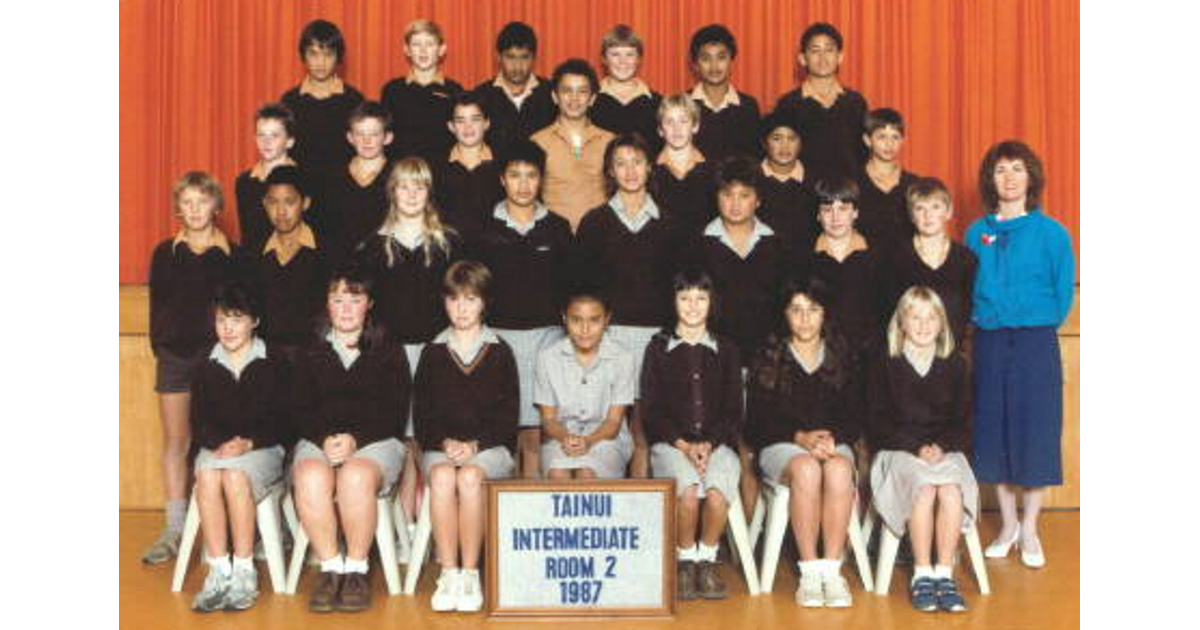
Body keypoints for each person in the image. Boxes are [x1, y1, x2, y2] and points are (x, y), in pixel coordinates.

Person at [966, 141, 1074, 569]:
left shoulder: (1052, 233)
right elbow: (968, 285)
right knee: (996, 429)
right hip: (991, 341)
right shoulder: (977, 232)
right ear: (990, 180)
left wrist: (1031, 318)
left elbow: (1062, 291)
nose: (1008, 177)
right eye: (999, 170)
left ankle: (1030, 528)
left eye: (1016, 169)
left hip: (1034, 341)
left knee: (1034, 430)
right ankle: (1007, 525)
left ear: (1031, 177)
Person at [290, 266, 411, 613]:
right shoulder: (309, 348)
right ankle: (330, 568)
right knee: (311, 475)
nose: (345, 308)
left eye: (354, 300)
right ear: (327, 304)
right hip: (320, 438)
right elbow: (298, 408)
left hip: (376, 440)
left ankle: (357, 568)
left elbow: (394, 412)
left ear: (368, 304)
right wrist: (322, 439)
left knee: (355, 476)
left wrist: (355, 440)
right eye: (337, 299)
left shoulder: (388, 348)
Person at [746, 278, 860, 608]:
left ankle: (832, 570)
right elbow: (756, 422)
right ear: (784, 315)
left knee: (839, 470)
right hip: (782, 445)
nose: (805, 319)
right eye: (796, 311)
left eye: (813, 310)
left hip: (832, 441)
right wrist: (801, 438)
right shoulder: (769, 354)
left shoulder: (842, 353)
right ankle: (809, 571)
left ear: (825, 315)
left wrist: (830, 438)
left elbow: (855, 415)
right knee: (807, 469)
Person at [144, 172, 239, 565]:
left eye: (203, 201)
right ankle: (175, 529)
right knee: (177, 444)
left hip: (218, 359)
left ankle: (223, 531)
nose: (196, 210)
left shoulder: (233, 255)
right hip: (176, 360)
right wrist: (164, 346)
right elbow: (158, 307)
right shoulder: (164, 253)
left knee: (217, 442)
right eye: (188, 202)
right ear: (178, 208)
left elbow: (239, 310)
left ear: (217, 207)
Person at [573, 132, 681, 478]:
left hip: (658, 338)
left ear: (650, 167)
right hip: (611, 338)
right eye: (620, 163)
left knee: (646, 429)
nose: (630, 170)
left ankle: (644, 511)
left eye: (637, 161)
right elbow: (583, 288)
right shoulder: (594, 223)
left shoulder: (671, 224)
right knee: (612, 428)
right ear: (610, 171)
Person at [414, 261, 519, 613]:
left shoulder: (501, 352)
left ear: (484, 303)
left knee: (471, 477)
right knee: (443, 476)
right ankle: (449, 573)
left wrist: (475, 446)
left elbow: (508, 418)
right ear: (444, 302)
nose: (461, 308)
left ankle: (471, 573)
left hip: (490, 448)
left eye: (471, 299)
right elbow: (423, 416)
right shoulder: (431, 353)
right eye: (454, 299)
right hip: (441, 447)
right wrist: (445, 444)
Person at [867, 286, 978, 613]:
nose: (923, 324)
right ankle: (922, 573)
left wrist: (941, 446)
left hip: (945, 449)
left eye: (931, 318)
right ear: (901, 323)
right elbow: (876, 420)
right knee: (926, 488)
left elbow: (965, 420)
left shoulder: (955, 365)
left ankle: (944, 573)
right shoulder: (886, 363)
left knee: (950, 490)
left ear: (942, 324)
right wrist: (915, 447)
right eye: (915, 317)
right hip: (899, 450)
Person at [469, 139, 572, 477]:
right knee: (499, 433)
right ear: (502, 179)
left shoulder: (558, 228)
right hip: (498, 338)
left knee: (536, 434)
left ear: (541, 180)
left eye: (531, 175)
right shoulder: (482, 228)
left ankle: (533, 511)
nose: (524, 184)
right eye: (515, 175)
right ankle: (500, 518)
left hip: (546, 338)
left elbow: (569, 289)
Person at [641, 270, 743, 601]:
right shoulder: (657, 347)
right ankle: (685, 560)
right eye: (684, 298)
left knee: (715, 494)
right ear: (673, 302)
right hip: (672, 444)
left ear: (712, 303)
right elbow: (652, 410)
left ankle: (707, 560)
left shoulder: (727, 349)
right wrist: (684, 445)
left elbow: (733, 410)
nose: (692, 306)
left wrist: (709, 444)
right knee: (686, 493)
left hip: (718, 445)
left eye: (701, 298)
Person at [187, 283, 288, 612]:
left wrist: (249, 442)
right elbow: (198, 420)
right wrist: (218, 443)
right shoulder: (205, 362)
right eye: (220, 320)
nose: (227, 328)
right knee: (207, 475)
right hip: (217, 447)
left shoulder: (274, 359)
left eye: (236, 319)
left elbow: (285, 420)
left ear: (254, 320)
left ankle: (244, 570)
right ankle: (219, 570)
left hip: (262, 447)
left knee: (233, 477)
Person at [535, 292, 636, 479]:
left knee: (586, 473)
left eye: (594, 320)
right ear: (564, 319)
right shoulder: (547, 357)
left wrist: (589, 441)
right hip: (560, 436)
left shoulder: (623, 357)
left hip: (606, 438)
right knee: (558, 474)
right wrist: (566, 437)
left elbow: (613, 422)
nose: (585, 329)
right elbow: (549, 420)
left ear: (607, 320)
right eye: (576, 320)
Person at [243, 165, 329, 364]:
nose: (281, 211)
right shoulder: (252, 252)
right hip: (265, 357)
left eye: (289, 202)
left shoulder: (327, 250)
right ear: (264, 203)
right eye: (273, 202)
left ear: (305, 203)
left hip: (314, 357)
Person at [883, 177, 976, 346]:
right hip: (906, 352)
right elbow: (889, 313)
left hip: (952, 352)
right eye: (920, 208)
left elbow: (969, 313)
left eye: (935, 207)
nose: (928, 215)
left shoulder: (966, 258)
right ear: (911, 216)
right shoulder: (895, 257)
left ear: (948, 211)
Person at [774, 22, 869, 183]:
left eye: (829, 50)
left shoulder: (856, 102)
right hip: (801, 194)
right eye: (815, 51)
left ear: (840, 57)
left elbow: (865, 155)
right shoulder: (788, 104)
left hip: (846, 197)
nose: (823, 58)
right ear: (802, 58)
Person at [280, 20, 365, 199]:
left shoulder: (354, 100)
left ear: (338, 57)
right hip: (300, 196)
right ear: (303, 56)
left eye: (328, 54)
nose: (321, 62)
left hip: (344, 194)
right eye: (313, 54)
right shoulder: (289, 101)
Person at [804, 177, 886, 358]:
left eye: (843, 208)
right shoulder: (803, 259)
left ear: (855, 212)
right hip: (820, 357)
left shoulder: (877, 257)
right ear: (818, 215)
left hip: (867, 357)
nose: (835, 217)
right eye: (827, 210)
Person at [530, 58, 615, 229]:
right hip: (554, 239)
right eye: (567, 90)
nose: (574, 98)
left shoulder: (610, 142)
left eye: (582, 91)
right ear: (555, 97)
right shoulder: (537, 142)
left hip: (600, 238)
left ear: (592, 99)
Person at [314, 101, 394, 263]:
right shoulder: (331, 177)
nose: (367, 141)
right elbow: (322, 227)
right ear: (350, 137)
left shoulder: (399, 176)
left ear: (387, 138)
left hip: (386, 264)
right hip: (340, 266)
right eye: (360, 134)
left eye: (374, 134)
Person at [381, 20, 464, 163]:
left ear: (441, 50)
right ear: (406, 50)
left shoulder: (454, 90)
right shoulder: (392, 90)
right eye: (416, 44)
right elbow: (384, 136)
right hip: (403, 174)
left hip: (443, 172)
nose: (423, 50)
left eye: (430, 44)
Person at [473, 21, 557, 154]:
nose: (517, 66)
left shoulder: (551, 94)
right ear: (499, 57)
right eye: (510, 57)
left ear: (534, 58)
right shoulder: (481, 95)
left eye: (524, 57)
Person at [434, 92, 504, 241]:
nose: (468, 127)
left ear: (486, 123)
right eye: (460, 121)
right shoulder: (436, 166)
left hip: (494, 249)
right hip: (449, 248)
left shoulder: (503, 164)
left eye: (475, 119)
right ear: (451, 126)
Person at [688, 24, 761, 162]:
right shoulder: (683, 104)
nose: (714, 66)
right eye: (706, 58)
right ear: (696, 65)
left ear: (731, 61)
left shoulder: (748, 107)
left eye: (721, 57)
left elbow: (754, 159)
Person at [592, 24, 663, 156]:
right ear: (604, 59)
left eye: (629, 54)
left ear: (639, 59)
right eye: (615, 54)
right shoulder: (589, 101)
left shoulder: (658, 103)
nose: (622, 61)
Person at [235, 103, 298, 251]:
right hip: (256, 268)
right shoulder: (244, 182)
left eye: (274, 135)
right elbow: (247, 236)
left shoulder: (306, 180)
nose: (266, 142)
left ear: (290, 141)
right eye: (261, 135)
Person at [855, 108, 919, 254]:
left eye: (895, 137)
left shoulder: (914, 185)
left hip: (905, 268)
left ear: (903, 140)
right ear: (867, 140)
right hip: (863, 268)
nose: (889, 144)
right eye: (881, 137)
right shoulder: (853, 183)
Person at [650, 93, 716, 233]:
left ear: (695, 126)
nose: (677, 128)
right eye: (669, 122)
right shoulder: (648, 171)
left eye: (683, 121)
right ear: (660, 130)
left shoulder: (714, 170)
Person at [757, 111, 820, 250]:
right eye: (777, 138)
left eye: (792, 138)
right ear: (765, 143)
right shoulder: (750, 178)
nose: (785, 147)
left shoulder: (817, 182)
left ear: (801, 143)